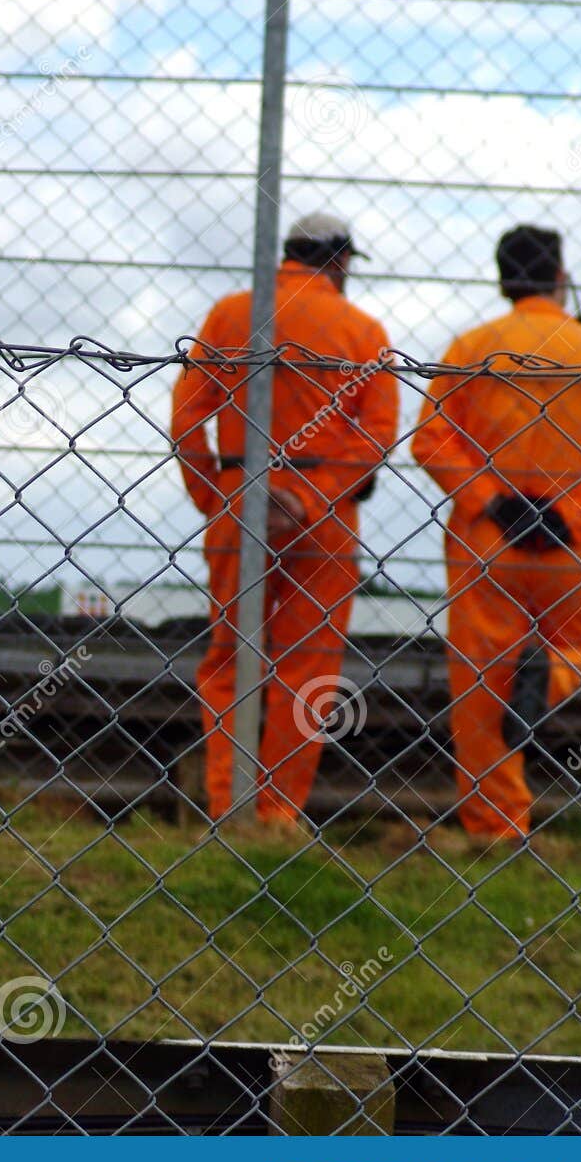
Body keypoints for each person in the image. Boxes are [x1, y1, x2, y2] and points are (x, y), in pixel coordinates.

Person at [410, 225, 581, 843]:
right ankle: (556, 671)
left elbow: (432, 441)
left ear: (502, 278)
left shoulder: (470, 348)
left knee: (481, 686)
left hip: (488, 543)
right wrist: (569, 516)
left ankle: (497, 828)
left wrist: (491, 500)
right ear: (561, 275)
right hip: (574, 547)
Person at [172, 213, 399, 825]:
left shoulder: (230, 314)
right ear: (341, 261)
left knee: (229, 658)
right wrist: (317, 494)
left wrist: (215, 496)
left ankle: (229, 804)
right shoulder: (363, 331)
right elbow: (377, 433)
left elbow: (189, 416)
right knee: (308, 665)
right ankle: (276, 814)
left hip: (238, 491)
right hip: (324, 518)